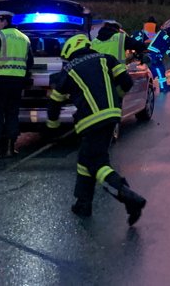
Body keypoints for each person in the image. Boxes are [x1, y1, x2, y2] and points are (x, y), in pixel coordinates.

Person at [47, 34, 148, 224]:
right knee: (86, 159)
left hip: (90, 121)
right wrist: (115, 100)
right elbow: (126, 82)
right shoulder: (106, 59)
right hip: (112, 117)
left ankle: (128, 197)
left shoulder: (68, 70)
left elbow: (54, 103)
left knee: (97, 164)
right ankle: (83, 203)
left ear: (69, 52)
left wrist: (52, 127)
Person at [0, 10, 35, 159]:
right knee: (12, 113)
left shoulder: (1, 36)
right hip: (18, 82)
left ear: (5, 21)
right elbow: (30, 62)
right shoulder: (24, 38)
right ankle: (11, 148)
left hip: (0, 81)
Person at [146, 23, 170, 92]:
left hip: (157, 55)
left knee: (157, 71)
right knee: (159, 70)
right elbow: (166, 39)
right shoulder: (163, 33)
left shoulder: (167, 37)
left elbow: (167, 49)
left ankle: (158, 85)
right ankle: (162, 87)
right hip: (153, 54)